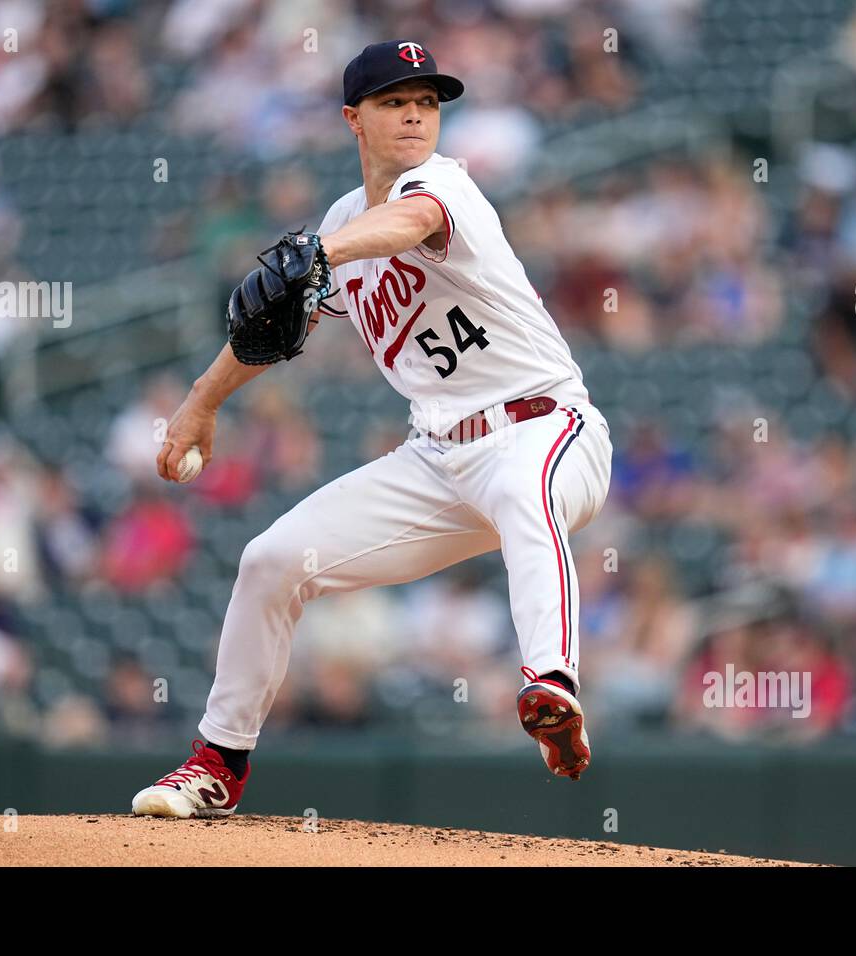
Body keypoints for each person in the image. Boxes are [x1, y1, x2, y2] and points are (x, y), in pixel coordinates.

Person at [131, 40, 613, 819]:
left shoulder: (443, 185)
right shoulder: (341, 223)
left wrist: (315, 253)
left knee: (527, 493)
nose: (417, 113)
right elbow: (279, 331)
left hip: (547, 428)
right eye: (395, 101)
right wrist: (201, 400)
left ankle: (550, 682)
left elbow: (411, 222)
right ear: (354, 119)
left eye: (428, 101)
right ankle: (216, 763)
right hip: (438, 459)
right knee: (271, 560)